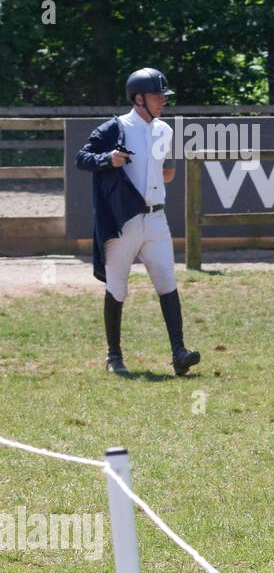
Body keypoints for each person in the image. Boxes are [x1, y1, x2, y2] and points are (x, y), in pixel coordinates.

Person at [75, 68, 200, 376]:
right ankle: (114, 356)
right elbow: (82, 157)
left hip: (157, 218)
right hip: (124, 221)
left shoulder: (165, 131)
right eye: (159, 97)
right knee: (117, 287)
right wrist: (108, 160)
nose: (164, 102)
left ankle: (179, 353)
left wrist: (166, 170)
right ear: (139, 99)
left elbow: (164, 171)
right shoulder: (115, 128)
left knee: (167, 282)